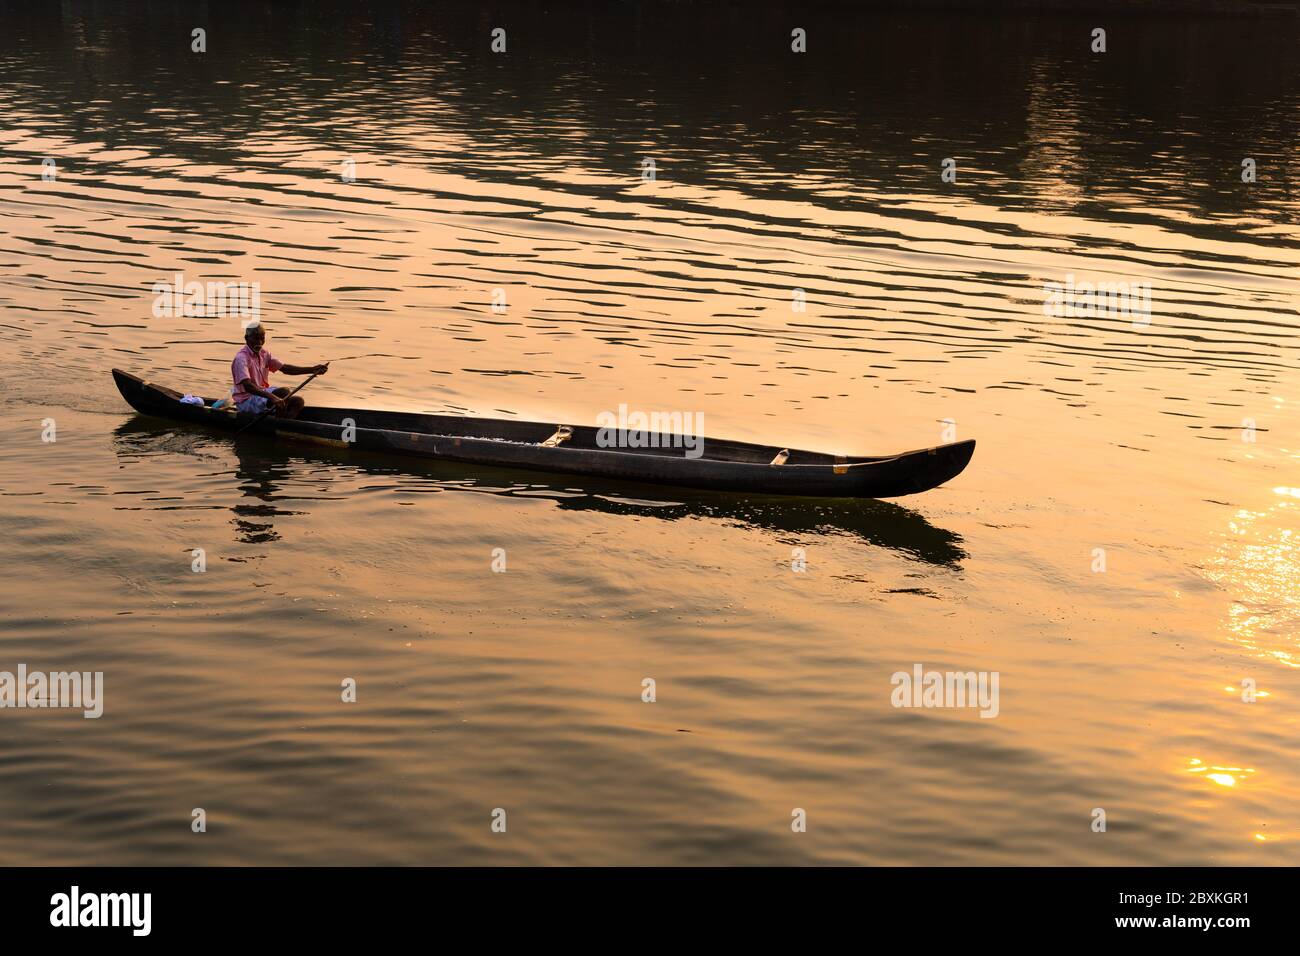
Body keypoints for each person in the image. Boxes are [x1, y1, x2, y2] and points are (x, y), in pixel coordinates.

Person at [231, 323, 328, 418]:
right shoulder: (241, 358)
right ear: (247, 338)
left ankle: (283, 420)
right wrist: (272, 397)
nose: (260, 342)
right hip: (247, 400)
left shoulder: (264, 353)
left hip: (262, 394)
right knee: (284, 392)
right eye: (256, 338)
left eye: (262, 338)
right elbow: (248, 387)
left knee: (298, 401)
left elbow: (285, 369)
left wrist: (312, 370)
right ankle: (279, 420)